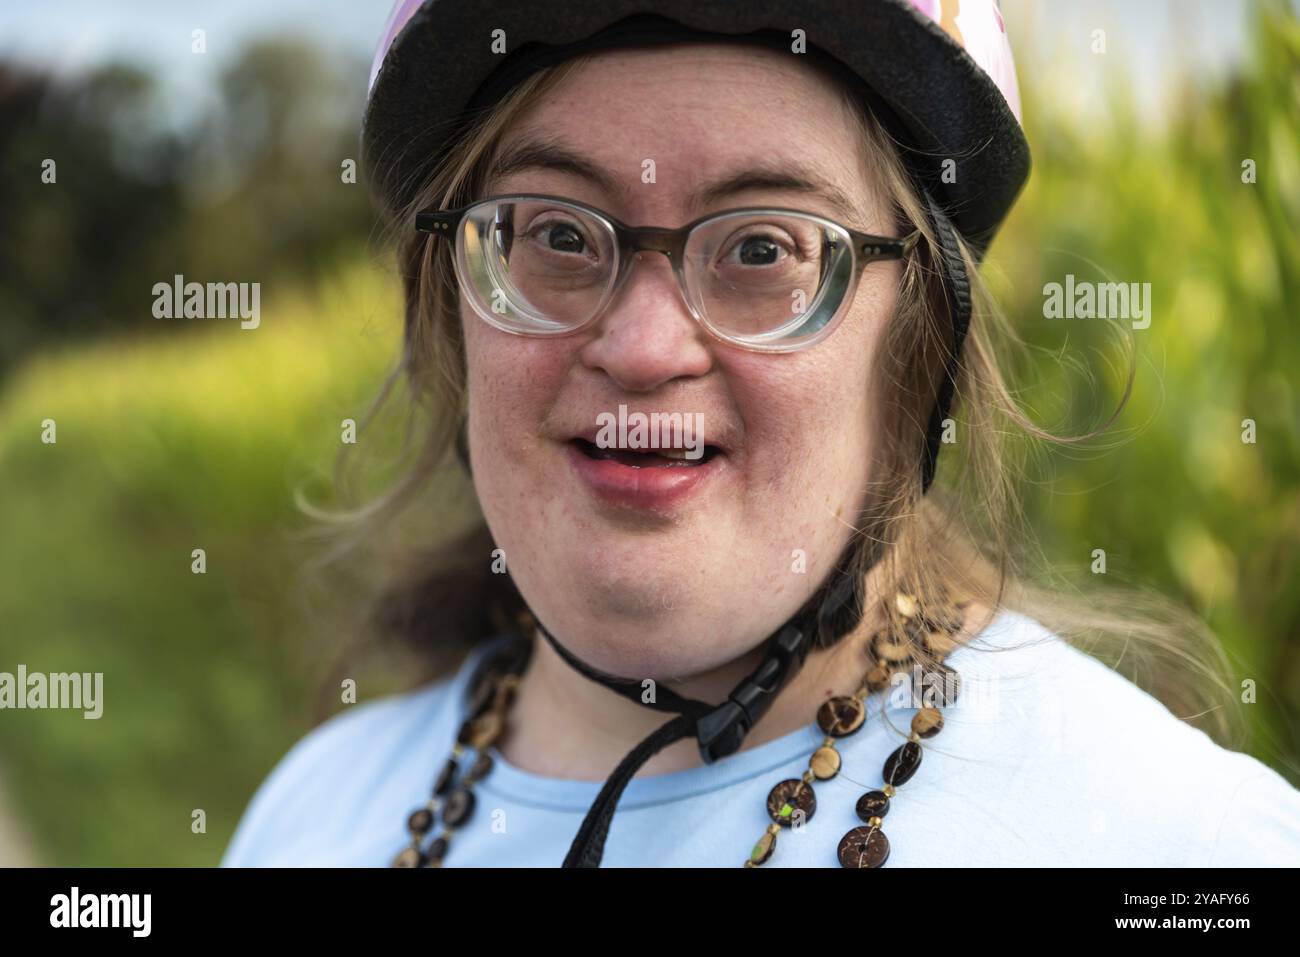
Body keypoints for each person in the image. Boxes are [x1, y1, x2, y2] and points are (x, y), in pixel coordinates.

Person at [222, 0, 1300, 868]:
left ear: (916, 341)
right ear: (454, 310)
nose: (644, 348)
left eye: (761, 251)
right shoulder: (314, 812)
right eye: (553, 232)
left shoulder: (1176, 843)